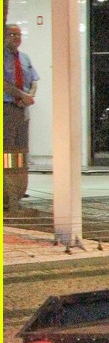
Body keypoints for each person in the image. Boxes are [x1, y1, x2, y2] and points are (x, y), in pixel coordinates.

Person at [4, 24, 39, 212]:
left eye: (18, 34)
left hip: (22, 109)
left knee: (20, 151)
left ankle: (16, 194)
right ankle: (7, 197)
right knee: (6, 150)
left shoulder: (25, 58)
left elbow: (34, 81)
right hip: (6, 107)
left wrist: (29, 97)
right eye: (11, 34)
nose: (16, 38)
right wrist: (20, 95)